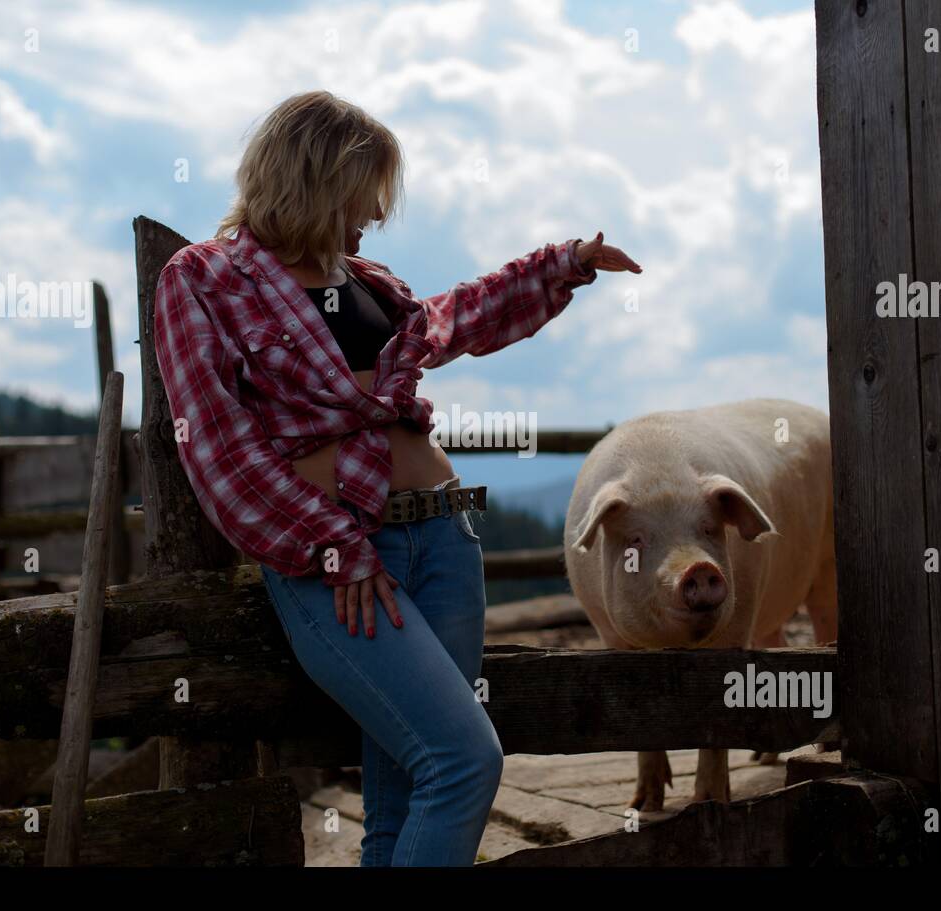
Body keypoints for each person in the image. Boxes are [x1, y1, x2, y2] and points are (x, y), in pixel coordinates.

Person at [152, 90, 641, 866]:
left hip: (445, 541)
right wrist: (336, 543)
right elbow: (219, 454)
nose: (371, 217)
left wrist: (562, 266)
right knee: (464, 761)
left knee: (405, 799)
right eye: (363, 195)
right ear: (313, 177)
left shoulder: (366, 279)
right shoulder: (205, 279)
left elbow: (451, 320)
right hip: (344, 561)